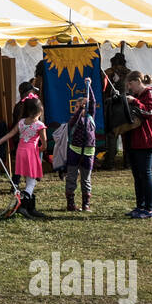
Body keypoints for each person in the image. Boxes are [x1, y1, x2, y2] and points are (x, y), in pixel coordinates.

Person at [0, 98, 47, 218]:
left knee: (27, 178)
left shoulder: (21, 122)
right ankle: (22, 206)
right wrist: (41, 149)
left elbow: (11, 134)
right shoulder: (39, 125)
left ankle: (30, 208)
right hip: (31, 152)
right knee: (31, 181)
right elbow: (44, 143)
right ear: (39, 112)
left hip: (20, 152)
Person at [124, 71, 152, 219]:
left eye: (131, 84)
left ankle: (149, 209)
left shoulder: (150, 93)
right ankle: (140, 206)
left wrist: (134, 102)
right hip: (135, 140)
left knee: (145, 174)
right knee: (137, 175)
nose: (130, 87)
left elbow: (150, 111)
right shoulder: (139, 96)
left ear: (138, 81)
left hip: (147, 139)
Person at [64, 83, 98, 212]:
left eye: (81, 106)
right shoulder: (74, 119)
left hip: (89, 152)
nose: (78, 108)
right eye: (76, 107)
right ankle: (71, 204)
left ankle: (86, 204)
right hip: (74, 152)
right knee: (71, 177)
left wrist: (89, 86)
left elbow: (93, 102)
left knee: (86, 179)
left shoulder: (90, 117)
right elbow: (74, 120)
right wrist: (79, 110)